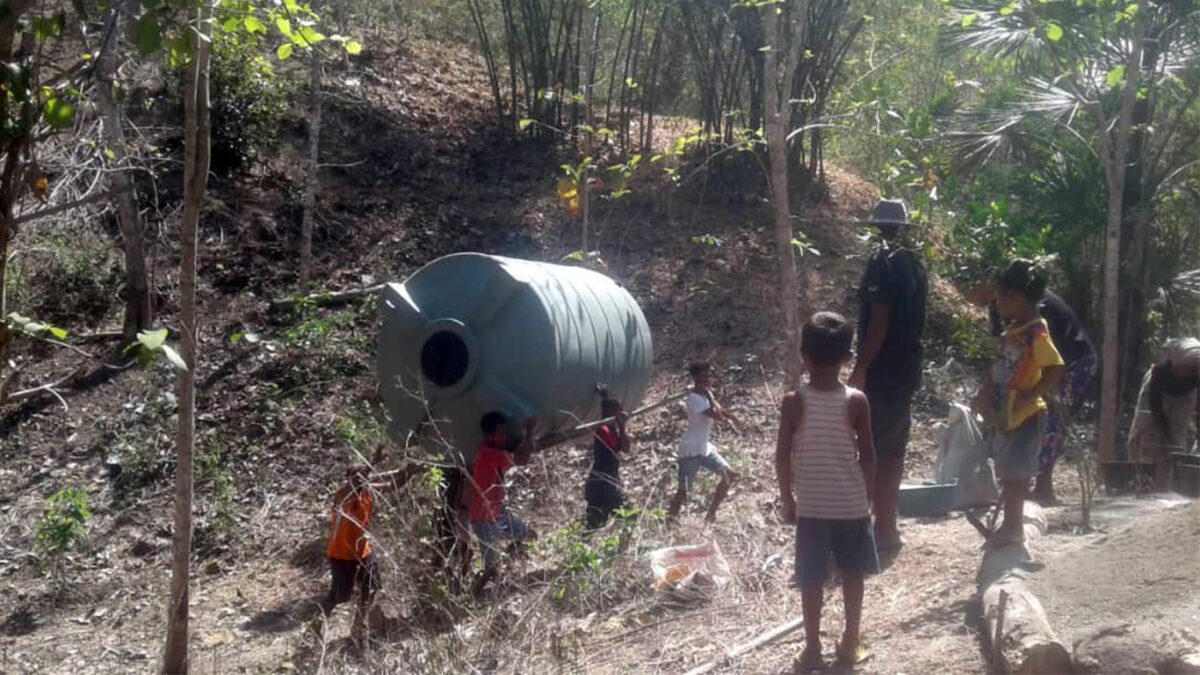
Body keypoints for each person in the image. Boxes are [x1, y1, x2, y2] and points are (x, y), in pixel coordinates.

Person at [776, 312, 878, 670]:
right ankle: (850, 643)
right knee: (853, 573)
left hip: (813, 509)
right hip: (851, 507)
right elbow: (868, 457)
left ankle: (812, 649)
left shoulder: (793, 402)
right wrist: (870, 499)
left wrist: (788, 499)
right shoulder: (856, 400)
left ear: (804, 356)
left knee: (811, 578)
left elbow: (782, 458)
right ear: (847, 358)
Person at [960, 274, 1097, 505]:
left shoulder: (1031, 309)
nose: (967, 297)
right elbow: (1004, 355)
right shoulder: (1004, 307)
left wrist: (1031, 394)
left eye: (968, 290)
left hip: (1074, 360)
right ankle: (1026, 490)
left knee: (1050, 421)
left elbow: (1048, 361)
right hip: (1039, 370)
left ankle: (1041, 487)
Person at [849, 199, 927, 557]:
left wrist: (861, 366)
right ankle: (887, 528)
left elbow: (878, 324)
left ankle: (871, 534)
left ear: (878, 227)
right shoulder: (915, 263)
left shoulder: (883, 262)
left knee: (872, 451)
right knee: (893, 451)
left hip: (884, 371)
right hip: (907, 369)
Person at [972, 260, 1064, 547]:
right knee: (1009, 470)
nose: (997, 303)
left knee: (1015, 475)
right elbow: (997, 366)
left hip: (1024, 414)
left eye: (1000, 297)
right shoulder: (1013, 330)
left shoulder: (1036, 332)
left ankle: (1013, 529)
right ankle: (1011, 524)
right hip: (1006, 412)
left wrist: (1031, 393)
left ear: (1015, 298)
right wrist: (984, 392)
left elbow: (1055, 367)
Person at [321, 465, 401, 645]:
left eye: (363, 477)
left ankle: (358, 627)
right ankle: (317, 625)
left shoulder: (367, 491)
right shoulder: (342, 495)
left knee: (370, 589)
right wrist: (363, 475)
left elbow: (392, 485)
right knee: (340, 596)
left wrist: (409, 471)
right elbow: (352, 488)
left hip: (362, 551)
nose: (359, 480)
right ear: (348, 478)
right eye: (355, 477)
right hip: (341, 553)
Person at [469, 412, 539, 596]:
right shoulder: (487, 454)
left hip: (497, 512)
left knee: (529, 535)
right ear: (488, 435)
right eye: (500, 433)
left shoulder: (493, 451)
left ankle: (509, 566)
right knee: (491, 568)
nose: (504, 437)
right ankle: (479, 596)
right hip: (484, 518)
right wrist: (530, 430)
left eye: (505, 433)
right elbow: (522, 460)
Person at [668, 361, 742, 523]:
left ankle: (711, 515)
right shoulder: (694, 398)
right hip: (690, 450)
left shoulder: (706, 395)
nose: (707, 379)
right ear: (695, 378)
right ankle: (669, 521)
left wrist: (732, 417)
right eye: (703, 376)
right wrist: (710, 397)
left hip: (704, 448)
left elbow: (720, 411)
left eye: (708, 376)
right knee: (683, 492)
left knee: (729, 475)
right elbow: (717, 415)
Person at [1127, 338, 1200, 490]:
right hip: (1155, 402)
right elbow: (1154, 407)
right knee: (1144, 438)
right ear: (1173, 364)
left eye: (1191, 369)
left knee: (1176, 447)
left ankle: (1171, 486)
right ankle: (1141, 480)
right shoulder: (1159, 373)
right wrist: (1164, 432)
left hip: (1182, 402)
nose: (1188, 371)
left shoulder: (1196, 375)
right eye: (1184, 368)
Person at [584, 392, 631, 531]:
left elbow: (626, 448)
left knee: (627, 518)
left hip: (607, 483)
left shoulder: (611, 429)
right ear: (608, 412)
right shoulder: (603, 430)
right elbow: (624, 447)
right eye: (617, 409)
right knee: (595, 526)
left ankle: (622, 549)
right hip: (602, 487)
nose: (620, 413)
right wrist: (622, 427)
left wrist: (605, 395)